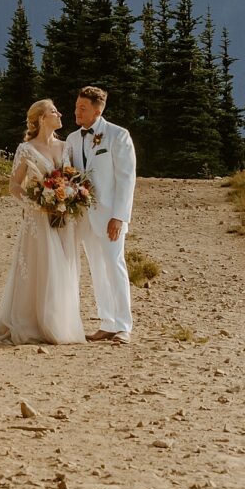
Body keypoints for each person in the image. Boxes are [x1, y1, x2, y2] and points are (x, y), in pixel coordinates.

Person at [0, 99, 83, 345]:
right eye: (53, 111)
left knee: (62, 266)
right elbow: (14, 185)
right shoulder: (25, 149)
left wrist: (70, 196)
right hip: (38, 218)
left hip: (63, 216)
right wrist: (36, 204)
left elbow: (72, 179)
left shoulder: (66, 147)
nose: (59, 113)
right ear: (40, 119)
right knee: (42, 266)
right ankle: (33, 323)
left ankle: (59, 323)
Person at [65, 85, 137, 344]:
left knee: (115, 265)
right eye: (76, 107)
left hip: (109, 216)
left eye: (82, 108)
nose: (76, 112)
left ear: (97, 111)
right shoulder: (73, 139)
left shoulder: (118, 136)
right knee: (96, 268)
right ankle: (107, 322)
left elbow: (126, 179)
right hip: (84, 217)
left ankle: (124, 326)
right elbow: (68, 173)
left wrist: (120, 216)